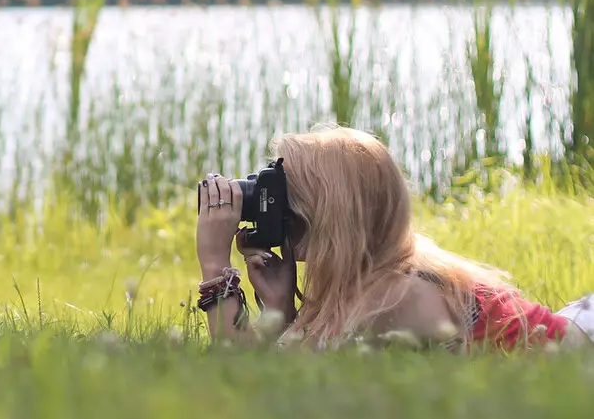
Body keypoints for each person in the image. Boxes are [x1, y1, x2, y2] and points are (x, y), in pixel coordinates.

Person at [194, 125, 594, 351]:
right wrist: (280, 305)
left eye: (289, 195)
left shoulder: (392, 296)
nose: (280, 207)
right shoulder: (376, 273)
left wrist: (216, 265)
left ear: (333, 212)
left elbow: (253, 386)